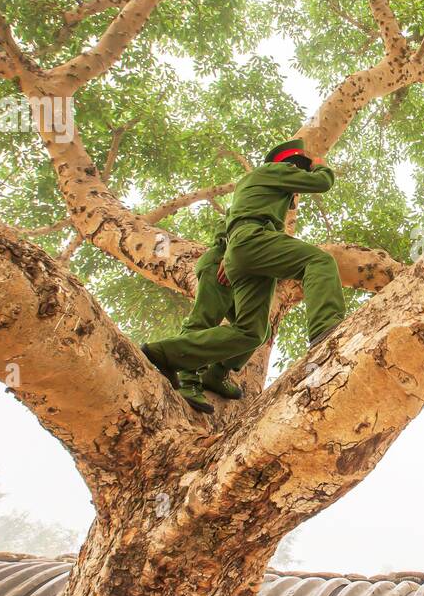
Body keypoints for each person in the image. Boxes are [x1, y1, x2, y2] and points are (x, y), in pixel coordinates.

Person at [140, 138, 345, 412]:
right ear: (291, 166)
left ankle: (208, 370)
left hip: (241, 253)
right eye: (300, 171)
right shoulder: (273, 172)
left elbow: (233, 221)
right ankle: (326, 329)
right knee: (319, 261)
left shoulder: (260, 192)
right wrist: (320, 165)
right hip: (240, 248)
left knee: (254, 332)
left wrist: (230, 252)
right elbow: (323, 182)